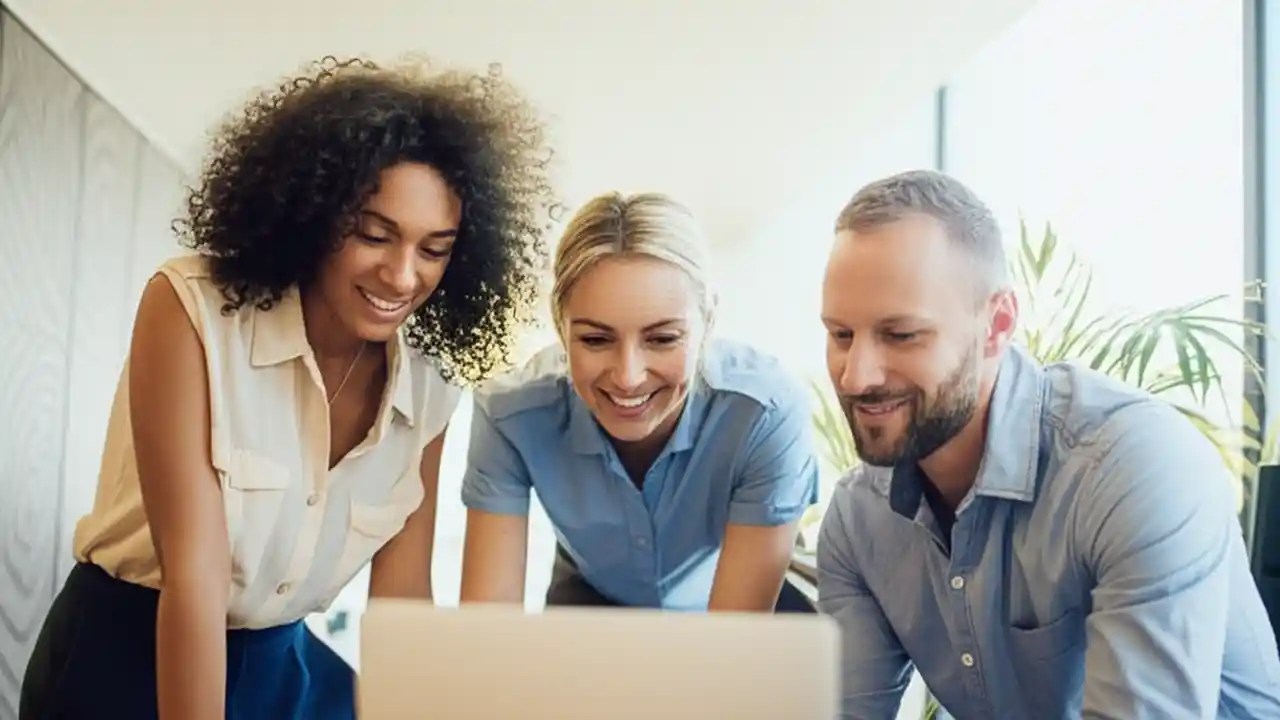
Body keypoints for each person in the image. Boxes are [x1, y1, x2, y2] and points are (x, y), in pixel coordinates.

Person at [19, 56, 556, 720]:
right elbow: (195, 578)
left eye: (434, 249)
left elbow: (401, 600)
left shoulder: (430, 383)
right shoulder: (193, 309)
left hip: (282, 664)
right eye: (374, 234)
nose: (402, 275)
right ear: (315, 214)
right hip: (129, 651)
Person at [815, 169, 1280, 718]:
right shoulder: (859, 518)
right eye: (841, 334)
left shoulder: (1132, 466)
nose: (856, 376)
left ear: (997, 324)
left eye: (901, 335)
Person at [457, 191, 819, 612]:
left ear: (707, 323)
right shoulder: (510, 415)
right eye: (596, 339)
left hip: (741, 589)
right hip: (593, 590)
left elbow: (733, 640)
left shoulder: (764, 412)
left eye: (662, 339)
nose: (628, 377)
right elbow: (489, 627)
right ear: (560, 327)